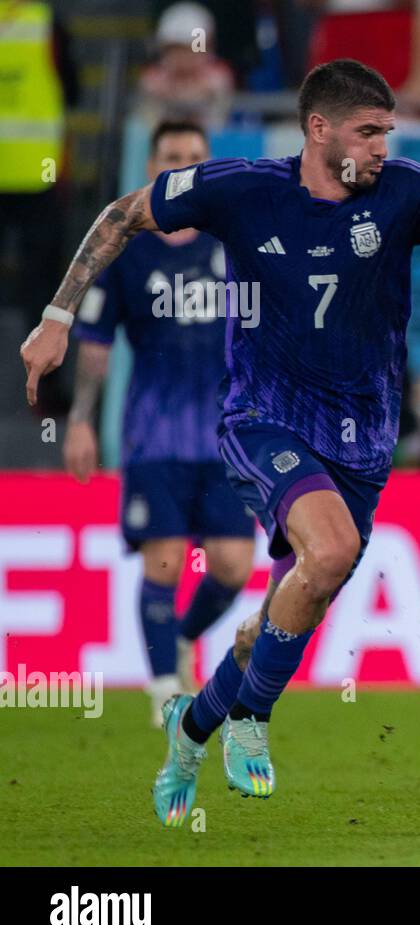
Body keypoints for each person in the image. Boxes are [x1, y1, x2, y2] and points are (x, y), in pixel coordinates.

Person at [21, 58, 420, 828]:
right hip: (263, 418)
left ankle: (193, 729)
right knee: (326, 554)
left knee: (280, 615)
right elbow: (122, 215)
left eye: (389, 132)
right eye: (369, 132)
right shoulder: (245, 187)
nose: (383, 147)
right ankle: (254, 720)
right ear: (319, 130)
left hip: (362, 438)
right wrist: (57, 317)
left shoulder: (409, 191)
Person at [65, 120, 255, 727]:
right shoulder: (127, 249)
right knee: (164, 561)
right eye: (172, 156)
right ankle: (167, 689)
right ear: (151, 165)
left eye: (194, 157)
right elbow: (94, 346)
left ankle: (181, 640)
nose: (183, 166)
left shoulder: (234, 243)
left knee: (231, 566)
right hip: (154, 437)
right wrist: (79, 421)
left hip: (228, 440)